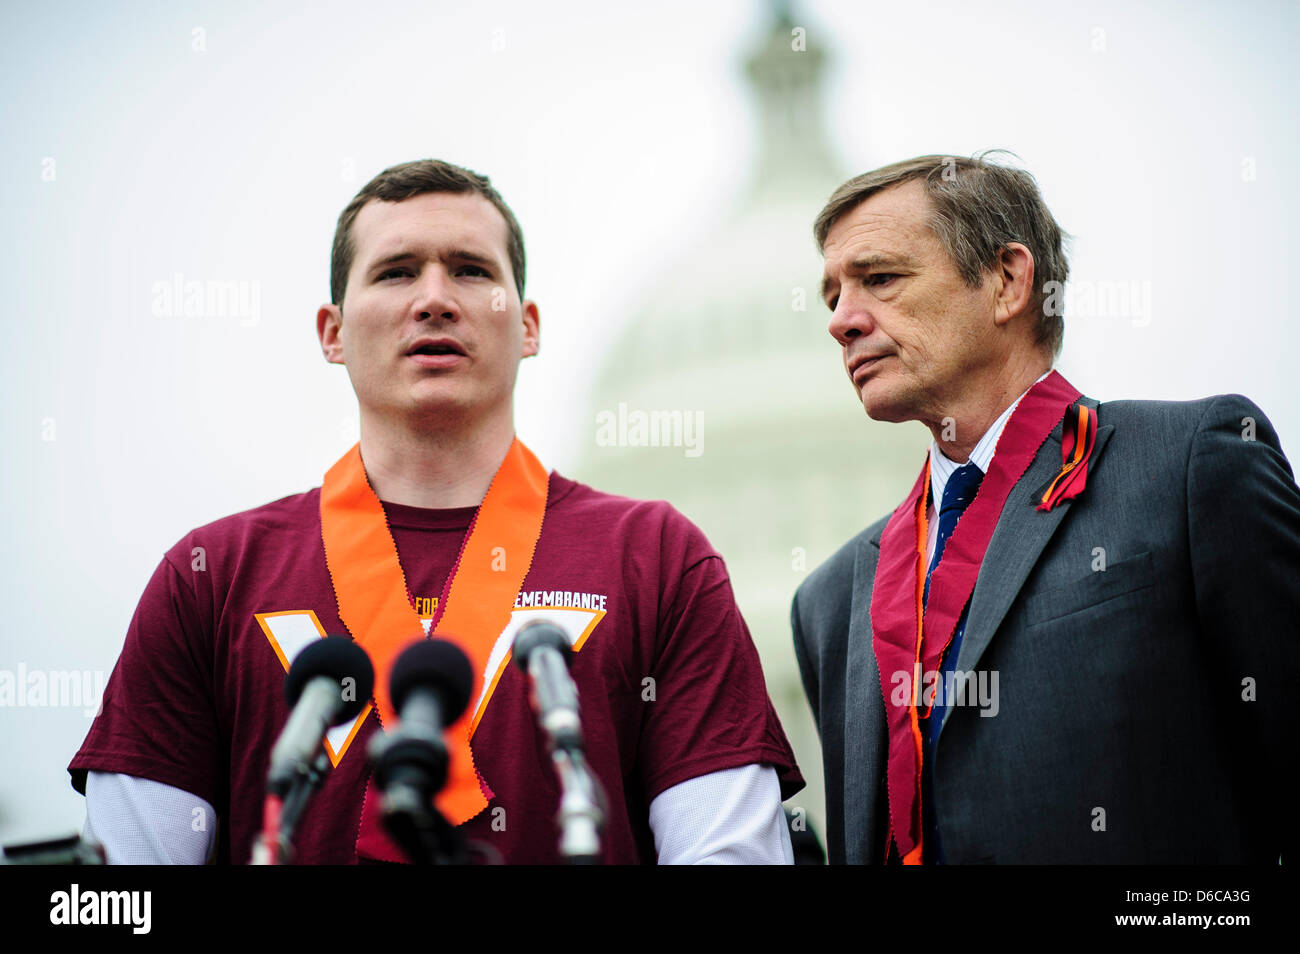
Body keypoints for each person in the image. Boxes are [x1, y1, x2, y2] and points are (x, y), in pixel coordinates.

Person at [69, 159, 803, 864]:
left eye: (471, 270)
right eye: (395, 272)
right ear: (331, 332)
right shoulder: (210, 578)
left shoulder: (657, 557)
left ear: (528, 327)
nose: (434, 298)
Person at [792, 153, 1299, 865]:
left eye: (879, 279)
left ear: (1007, 280)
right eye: (832, 296)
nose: (842, 321)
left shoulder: (1191, 466)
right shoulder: (828, 601)